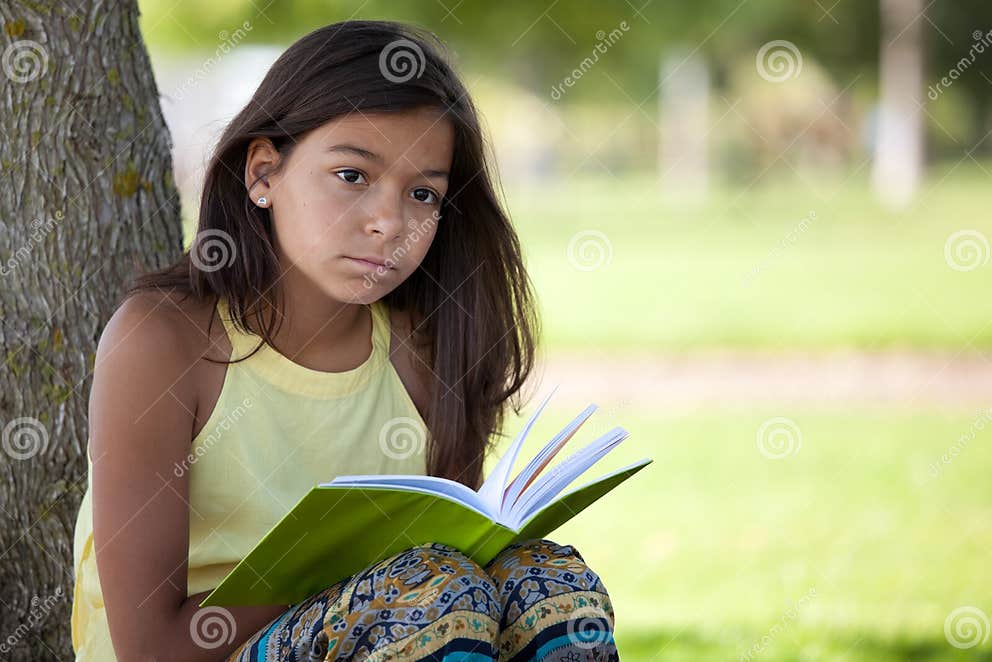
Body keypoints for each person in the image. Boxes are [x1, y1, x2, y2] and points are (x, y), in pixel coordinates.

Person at [71, 19, 618, 661]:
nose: (389, 222)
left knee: (552, 588)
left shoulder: (425, 348)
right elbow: (149, 648)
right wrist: (355, 572)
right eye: (353, 176)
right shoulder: (164, 340)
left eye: (423, 194)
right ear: (263, 173)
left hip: (393, 628)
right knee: (427, 598)